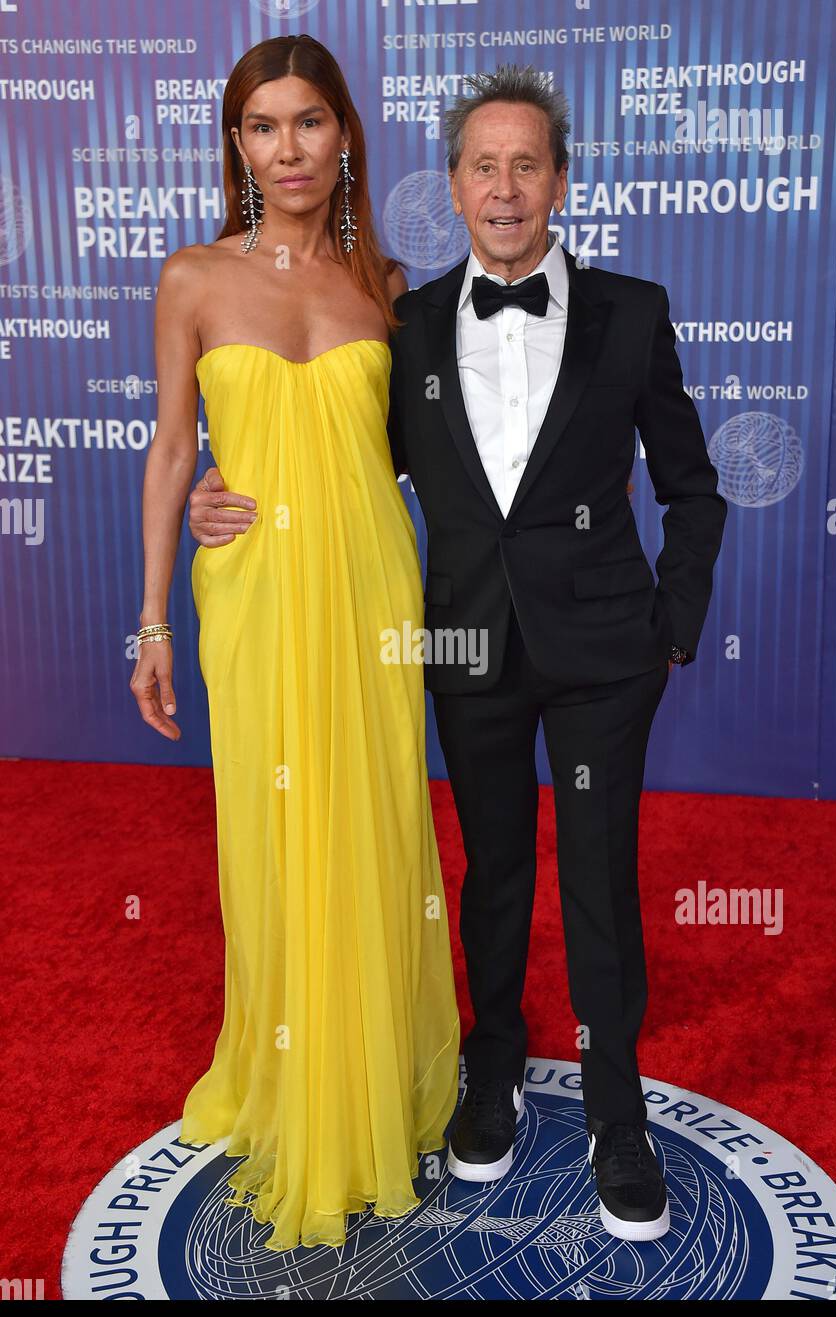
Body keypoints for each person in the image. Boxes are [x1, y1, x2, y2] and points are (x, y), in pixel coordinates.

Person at [191, 64, 728, 1243]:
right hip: (460, 643)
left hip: (602, 654)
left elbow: (693, 487)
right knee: (489, 872)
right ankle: (491, 1071)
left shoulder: (632, 311)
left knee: (597, 876)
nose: (503, 187)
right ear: (452, 183)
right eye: (481, 165)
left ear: (560, 182)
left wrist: (671, 626)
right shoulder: (410, 319)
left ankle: (614, 1108)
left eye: (525, 164)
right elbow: (321, 445)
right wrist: (217, 495)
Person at [129, 34, 459, 1251]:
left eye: (309, 122)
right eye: (263, 127)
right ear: (237, 146)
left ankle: (379, 1073)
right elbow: (173, 450)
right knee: (274, 828)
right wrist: (153, 614)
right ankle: (287, 1074)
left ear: (345, 136)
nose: (289, 147)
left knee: (373, 819)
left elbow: (421, 460)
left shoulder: (392, 284)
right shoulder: (193, 280)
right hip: (256, 586)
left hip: (375, 584)